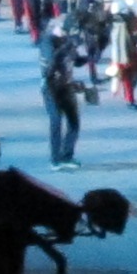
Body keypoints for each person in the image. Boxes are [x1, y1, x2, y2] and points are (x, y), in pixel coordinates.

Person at [41, 25, 90, 167]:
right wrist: (66, 47)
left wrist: (88, 55)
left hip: (67, 86)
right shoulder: (47, 44)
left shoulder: (67, 42)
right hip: (51, 88)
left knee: (74, 122)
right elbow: (50, 67)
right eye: (62, 31)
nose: (65, 33)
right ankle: (55, 159)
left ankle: (67, 156)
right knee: (56, 121)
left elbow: (76, 61)